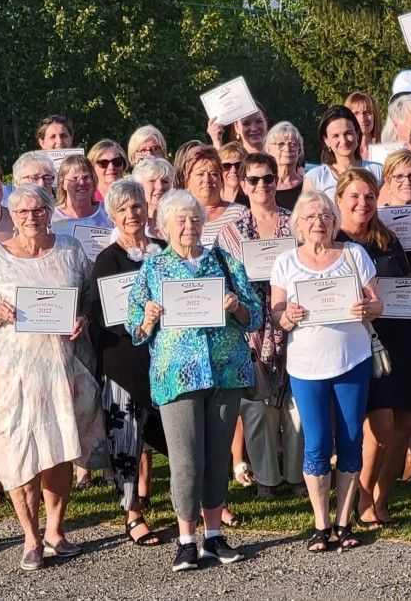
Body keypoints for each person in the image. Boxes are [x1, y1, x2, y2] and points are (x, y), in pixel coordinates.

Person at [0, 184, 105, 571]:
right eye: (23, 212)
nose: (31, 218)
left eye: (38, 210)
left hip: (61, 367)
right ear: (12, 216)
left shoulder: (70, 251)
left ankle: (55, 531)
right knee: (18, 451)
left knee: (59, 449)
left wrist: (83, 319)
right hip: (15, 373)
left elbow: (90, 300)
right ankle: (30, 535)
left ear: (50, 211)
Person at [125, 189, 260, 571]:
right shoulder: (154, 268)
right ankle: (186, 540)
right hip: (177, 376)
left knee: (217, 457)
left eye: (195, 218)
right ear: (164, 227)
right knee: (185, 461)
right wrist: (149, 316)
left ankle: (214, 536)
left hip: (225, 372)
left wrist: (237, 307)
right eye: (180, 220)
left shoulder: (224, 259)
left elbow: (256, 313)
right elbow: (134, 327)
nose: (189, 225)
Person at [268, 190, 382, 552]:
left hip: (352, 360)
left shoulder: (354, 254)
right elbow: (276, 314)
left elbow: (378, 303)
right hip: (306, 365)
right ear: (298, 225)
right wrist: (287, 317)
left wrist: (367, 306)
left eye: (326, 216)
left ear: (335, 221)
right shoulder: (286, 262)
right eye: (311, 217)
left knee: (351, 440)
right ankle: (321, 523)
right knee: (316, 443)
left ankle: (345, 521)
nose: (319, 222)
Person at [336, 168, 411, 529]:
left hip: (401, 338)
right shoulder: (333, 241)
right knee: (381, 427)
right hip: (363, 342)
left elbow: (406, 284)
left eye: (370, 196)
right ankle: (362, 496)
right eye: (355, 197)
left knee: (408, 421)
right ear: (340, 199)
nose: (363, 204)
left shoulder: (387, 239)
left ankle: (381, 498)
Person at [81, 179, 168, 548]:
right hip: (124, 360)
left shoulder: (164, 250)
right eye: (123, 209)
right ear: (113, 216)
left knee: (178, 437)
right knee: (126, 440)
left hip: (166, 358)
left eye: (137, 207)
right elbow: (108, 317)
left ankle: (200, 503)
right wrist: (143, 318)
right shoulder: (107, 259)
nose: (132, 214)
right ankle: (132, 513)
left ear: (147, 209)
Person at [227, 154, 299, 501]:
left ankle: (298, 476)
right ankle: (267, 481)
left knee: (295, 405)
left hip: (294, 323)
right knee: (256, 408)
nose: (261, 185)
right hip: (251, 329)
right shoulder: (231, 231)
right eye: (253, 180)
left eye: (268, 178)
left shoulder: (295, 223)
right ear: (242, 184)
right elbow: (225, 279)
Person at [179, 145, 245, 249]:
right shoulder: (178, 215)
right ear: (187, 180)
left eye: (213, 174)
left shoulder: (240, 213)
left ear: (221, 179)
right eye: (200, 174)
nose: (207, 180)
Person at [308, 105, 385, 194]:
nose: (343, 141)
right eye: (335, 136)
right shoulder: (315, 178)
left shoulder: (378, 172)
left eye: (348, 133)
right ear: (326, 140)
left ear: (357, 134)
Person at [51, 154, 107, 233]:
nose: (81, 182)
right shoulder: (52, 218)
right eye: (74, 178)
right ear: (63, 184)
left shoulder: (108, 213)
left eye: (86, 177)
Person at [265, 122, 307, 210]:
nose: (287, 149)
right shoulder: (262, 184)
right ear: (268, 149)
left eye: (293, 144)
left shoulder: (308, 185)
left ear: (299, 151)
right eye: (281, 144)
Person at [130, 157, 174, 238]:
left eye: (165, 181)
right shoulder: (129, 223)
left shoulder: (183, 220)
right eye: (152, 181)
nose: (160, 187)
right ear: (139, 185)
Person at [345, 92, 383, 162]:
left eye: (367, 112)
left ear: (375, 116)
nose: (362, 119)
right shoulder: (344, 150)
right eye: (356, 113)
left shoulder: (386, 147)